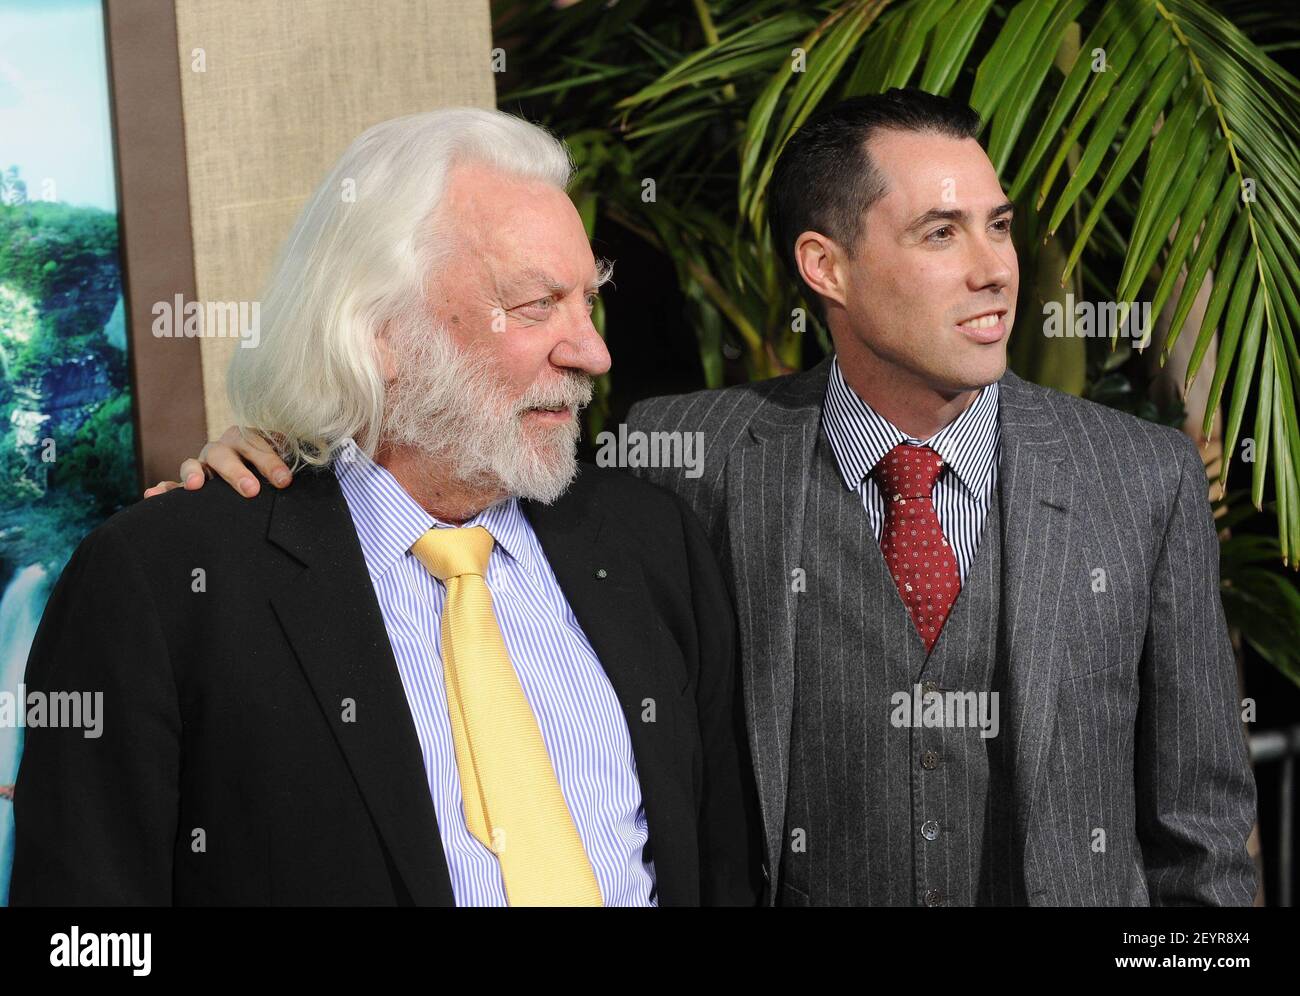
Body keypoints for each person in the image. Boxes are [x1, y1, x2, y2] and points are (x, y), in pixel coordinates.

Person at [152, 90, 1258, 907]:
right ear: (825, 268)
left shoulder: (1135, 475)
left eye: (999, 225)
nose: (995, 269)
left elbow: (1202, 836)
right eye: (940, 233)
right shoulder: (684, 454)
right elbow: (458, 451)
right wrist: (274, 459)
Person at [10, 108, 761, 907]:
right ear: (380, 332)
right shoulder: (165, 581)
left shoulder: (652, 542)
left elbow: (720, 867)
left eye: (589, 300)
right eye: (538, 305)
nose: (593, 352)